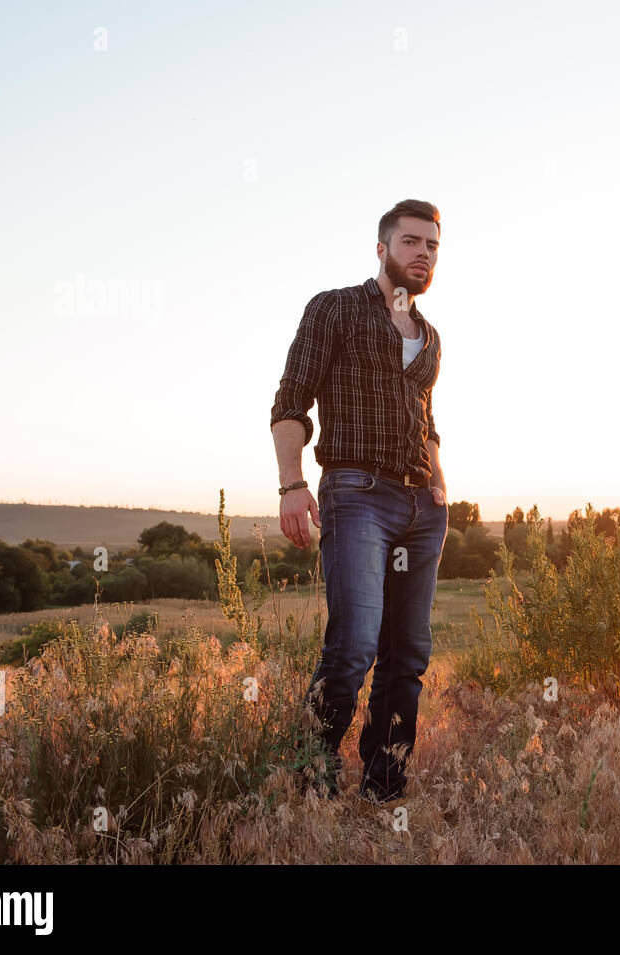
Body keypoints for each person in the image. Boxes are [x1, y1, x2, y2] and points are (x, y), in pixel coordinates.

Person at [269, 199, 448, 808]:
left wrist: (439, 478)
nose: (422, 253)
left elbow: (425, 417)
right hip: (357, 495)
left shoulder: (430, 336)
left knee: (407, 656)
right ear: (382, 248)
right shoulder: (336, 308)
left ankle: (382, 793)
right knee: (353, 645)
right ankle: (307, 785)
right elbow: (291, 400)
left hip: (421, 507)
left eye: (431, 245)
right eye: (410, 242)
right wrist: (292, 485)